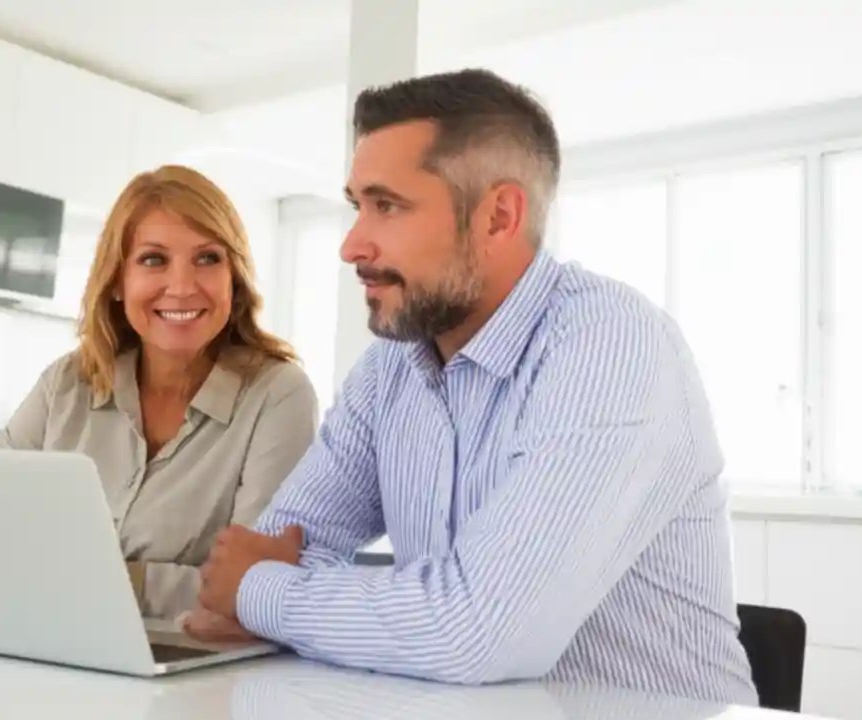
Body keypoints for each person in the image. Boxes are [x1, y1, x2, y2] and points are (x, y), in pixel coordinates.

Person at [187, 69, 757, 705]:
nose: (352, 245)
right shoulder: (389, 369)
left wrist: (259, 593)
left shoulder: (613, 344)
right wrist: (279, 590)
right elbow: (285, 549)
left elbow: (477, 634)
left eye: (387, 206)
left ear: (497, 217)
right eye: (357, 207)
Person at [0, 165, 317, 620]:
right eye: (153, 260)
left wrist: (116, 582)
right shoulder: (66, 384)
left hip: (191, 658)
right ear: (117, 281)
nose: (182, 287)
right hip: (40, 635)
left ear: (235, 278)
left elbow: (257, 585)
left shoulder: (278, 395)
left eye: (208, 258)